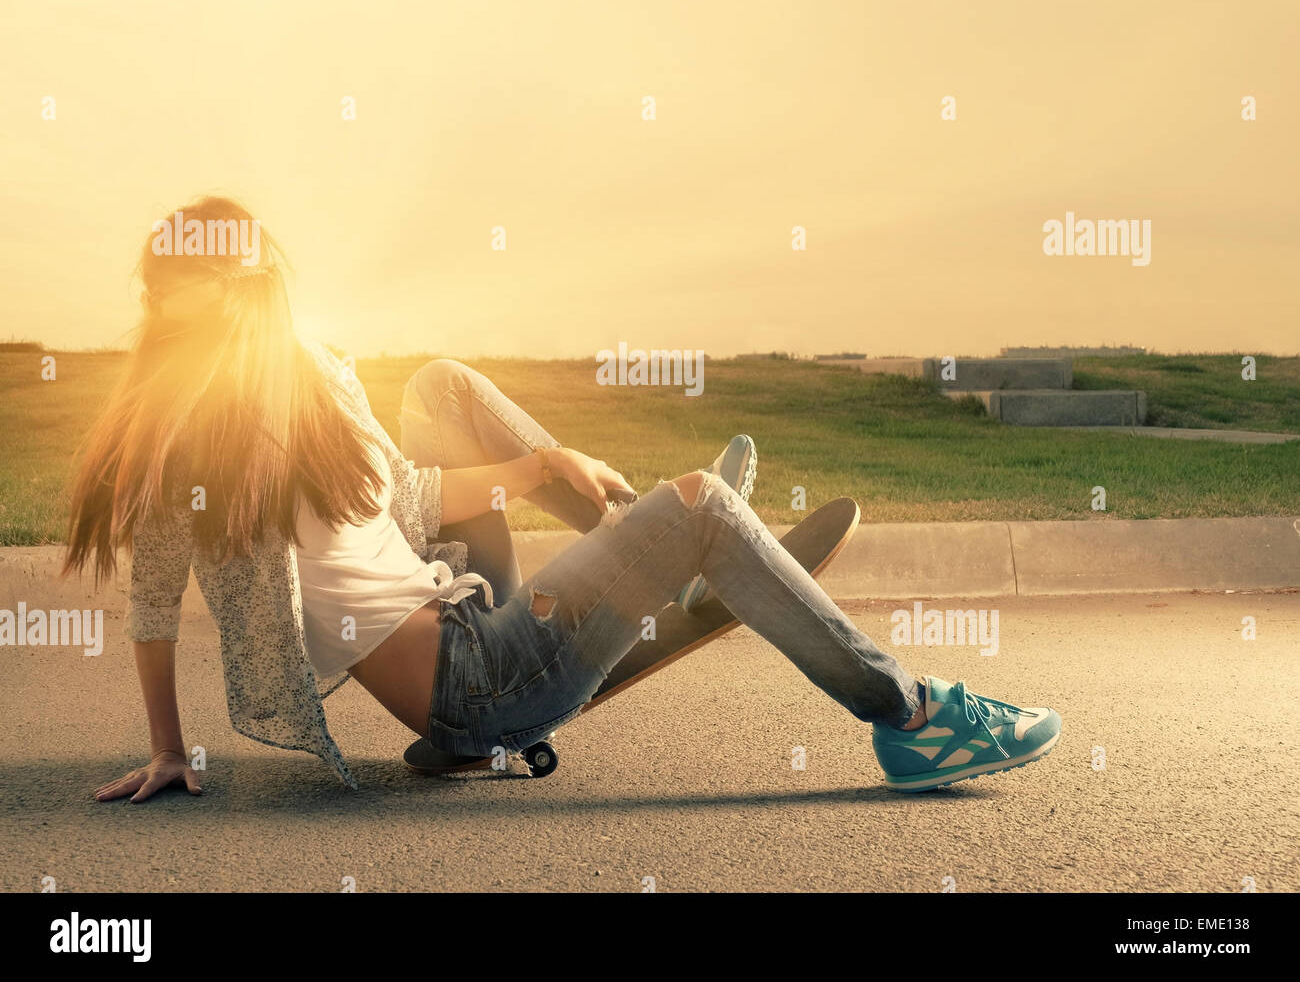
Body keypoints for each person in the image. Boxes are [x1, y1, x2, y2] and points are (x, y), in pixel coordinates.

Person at [65, 197, 1061, 803]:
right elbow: (152, 605)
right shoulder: (180, 447)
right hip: (474, 686)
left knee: (440, 387)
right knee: (706, 504)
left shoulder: (314, 375)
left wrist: (540, 470)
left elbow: (406, 494)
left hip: (458, 605)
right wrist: (163, 749)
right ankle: (914, 715)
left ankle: (645, 544)